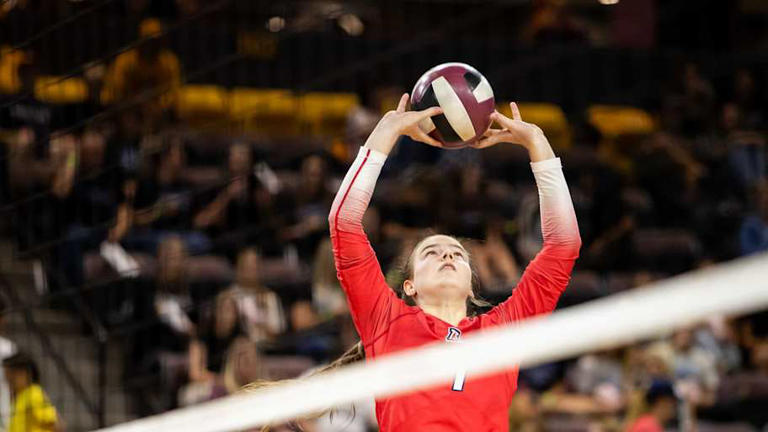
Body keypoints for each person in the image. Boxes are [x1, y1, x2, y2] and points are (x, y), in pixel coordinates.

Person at [325, 95, 581, 431]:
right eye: (431, 252)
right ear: (409, 286)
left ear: (472, 285)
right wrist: (385, 132)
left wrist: (538, 143)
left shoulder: (501, 333)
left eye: (458, 254)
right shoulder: (388, 322)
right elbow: (344, 222)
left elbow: (564, 246)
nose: (448, 255)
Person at [3, 352, 59, 432]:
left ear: (23, 373)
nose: (7, 382)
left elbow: (55, 425)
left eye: (11, 379)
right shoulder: (21, 396)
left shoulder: (33, 394)